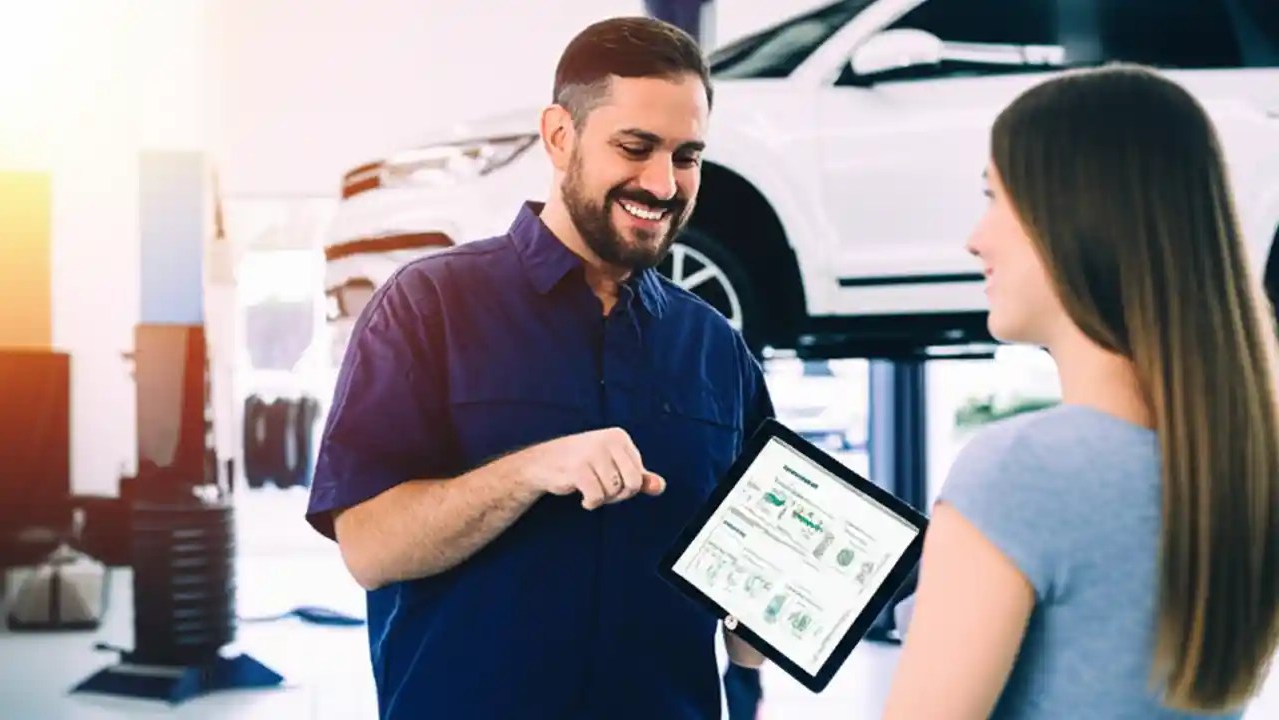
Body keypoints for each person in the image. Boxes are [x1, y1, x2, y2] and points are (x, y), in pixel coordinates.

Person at [304, 16, 773, 720]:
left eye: (687, 156)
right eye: (636, 147)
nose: (663, 182)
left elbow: (755, 559)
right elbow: (368, 548)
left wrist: (783, 610)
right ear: (559, 136)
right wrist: (530, 471)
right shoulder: (428, 306)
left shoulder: (715, 347)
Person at [881, 63, 1279, 718]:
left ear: (1073, 219)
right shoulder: (1235, 466)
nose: (975, 239)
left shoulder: (1023, 470)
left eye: (994, 198)